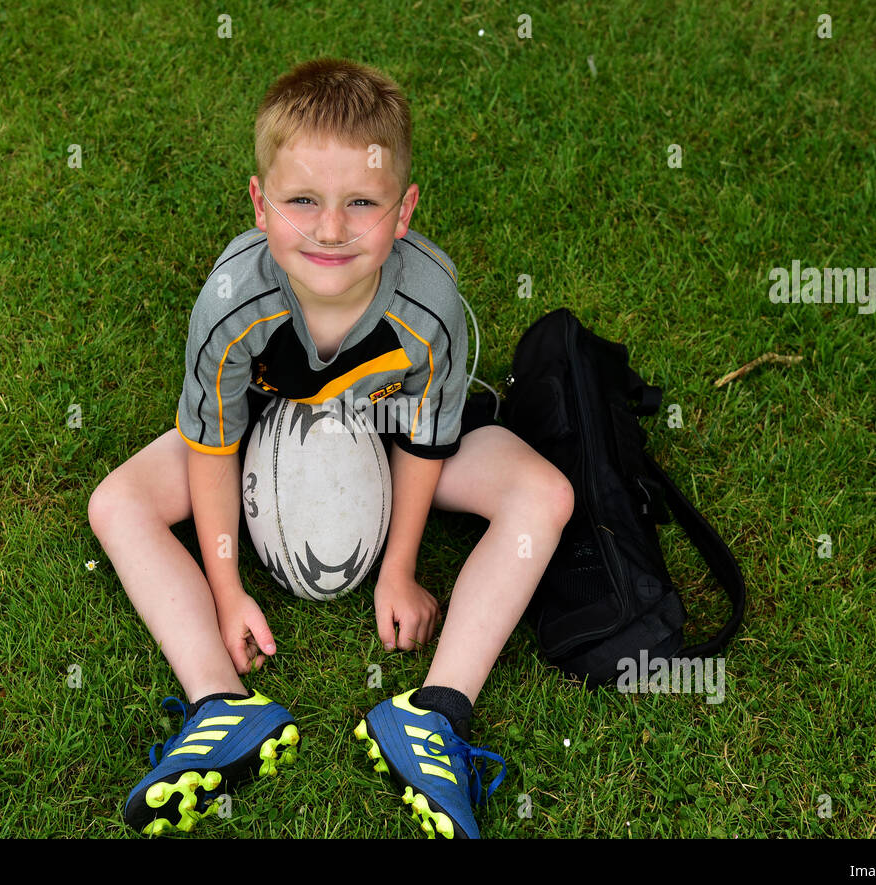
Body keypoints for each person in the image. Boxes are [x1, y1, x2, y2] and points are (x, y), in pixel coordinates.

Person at [88, 57, 573, 838]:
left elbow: (426, 438)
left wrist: (401, 569)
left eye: (362, 203)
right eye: (303, 200)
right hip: (257, 443)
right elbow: (212, 444)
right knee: (117, 503)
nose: (331, 229)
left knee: (544, 495)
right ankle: (219, 708)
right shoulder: (231, 302)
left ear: (404, 210)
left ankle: (434, 714)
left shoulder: (430, 304)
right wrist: (225, 586)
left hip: (386, 437)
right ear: (259, 203)